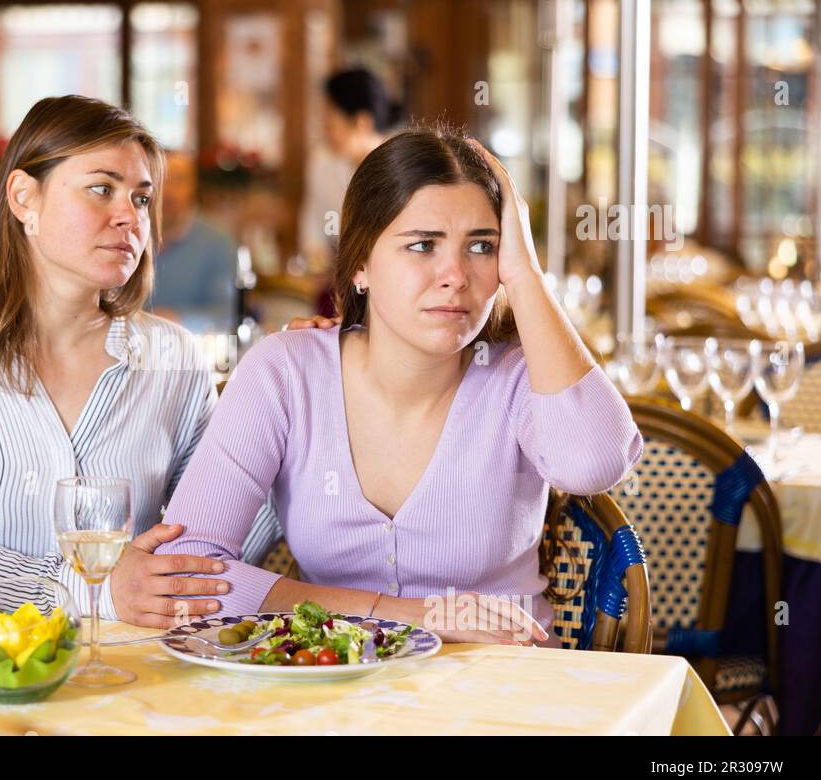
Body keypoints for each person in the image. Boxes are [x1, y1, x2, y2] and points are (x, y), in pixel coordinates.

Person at [157, 126, 643, 645]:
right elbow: (183, 574)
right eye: (422, 245)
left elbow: (596, 464)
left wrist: (525, 275)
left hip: (499, 697)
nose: (455, 274)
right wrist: (410, 614)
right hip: (334, 691)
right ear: (361, 263)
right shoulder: (284, 375)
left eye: (482, 246)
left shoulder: (518, 378)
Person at [0, 95, 280, 627]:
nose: (129, 218)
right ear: (24, 198)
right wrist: (92, 592)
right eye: (101, 189)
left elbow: (218, 544)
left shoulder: (173, 356)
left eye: (140, 198)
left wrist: (299, 387)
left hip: (138, 672)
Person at [300, 68, 404, 312]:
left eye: (331, 124)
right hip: (340, 288)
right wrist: (317, 262)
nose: (325, 133)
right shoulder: (323, 164)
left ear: (362, 122)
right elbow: (313, 229)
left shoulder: (402, 169)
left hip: (394, 291)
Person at [149, 152, 239, 332]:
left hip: (194, 352)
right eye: (160, 179)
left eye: (179, 180)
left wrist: (173, 320)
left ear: (194, 187)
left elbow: (228, 314)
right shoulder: (128, 236)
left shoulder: (218, 242)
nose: (168, 191)